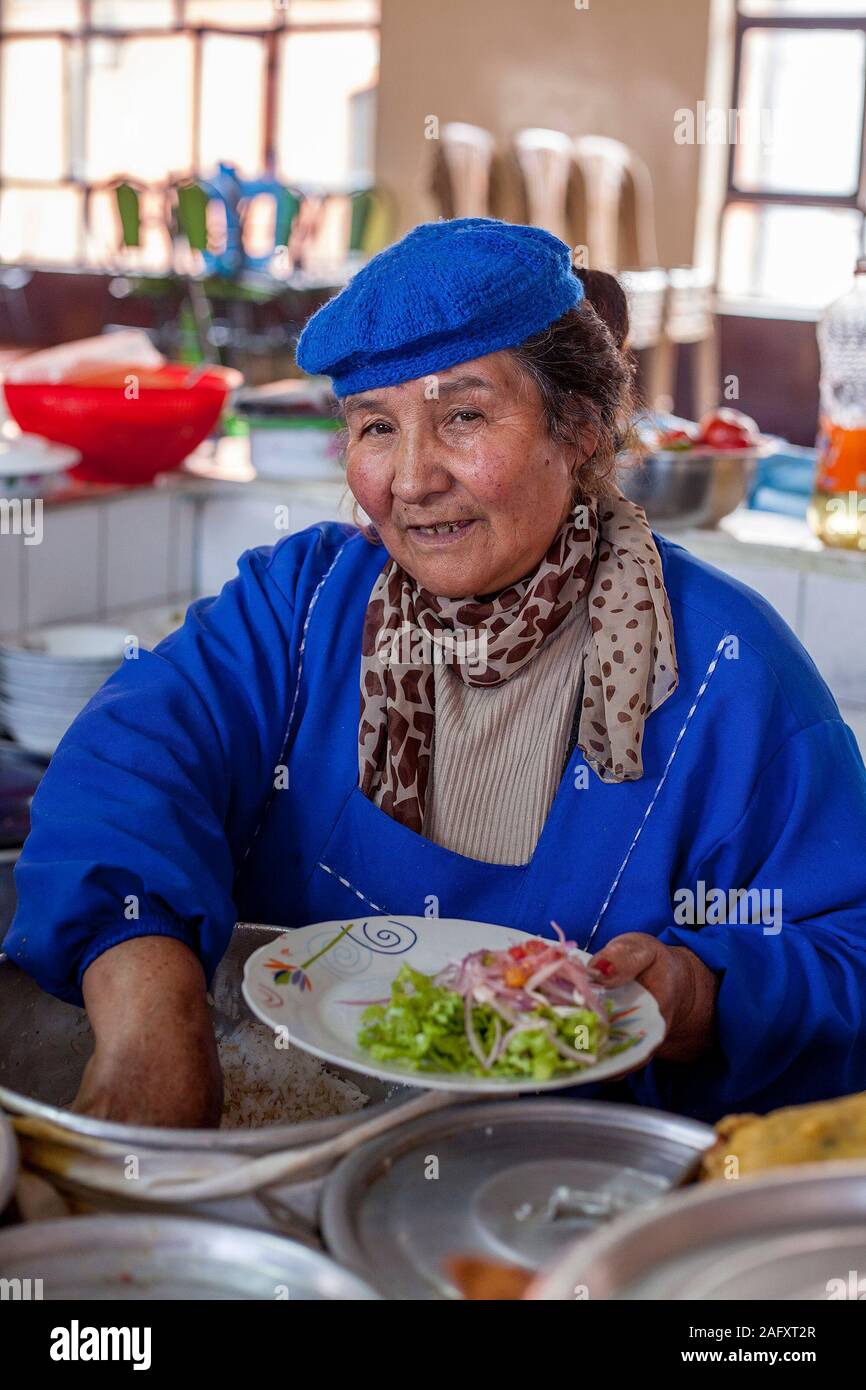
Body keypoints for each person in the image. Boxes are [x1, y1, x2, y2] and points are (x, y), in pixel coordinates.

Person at [6, 218, 866, 1127]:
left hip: (542, 1200)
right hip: (285, 1141)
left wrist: (701, 994)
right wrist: (155, 1021)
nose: (411, 479)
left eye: (462, 415)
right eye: (376, 426)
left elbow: (847, 955)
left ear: (577, 425)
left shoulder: (728, 675)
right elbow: (125, 762)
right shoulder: (307, 606)